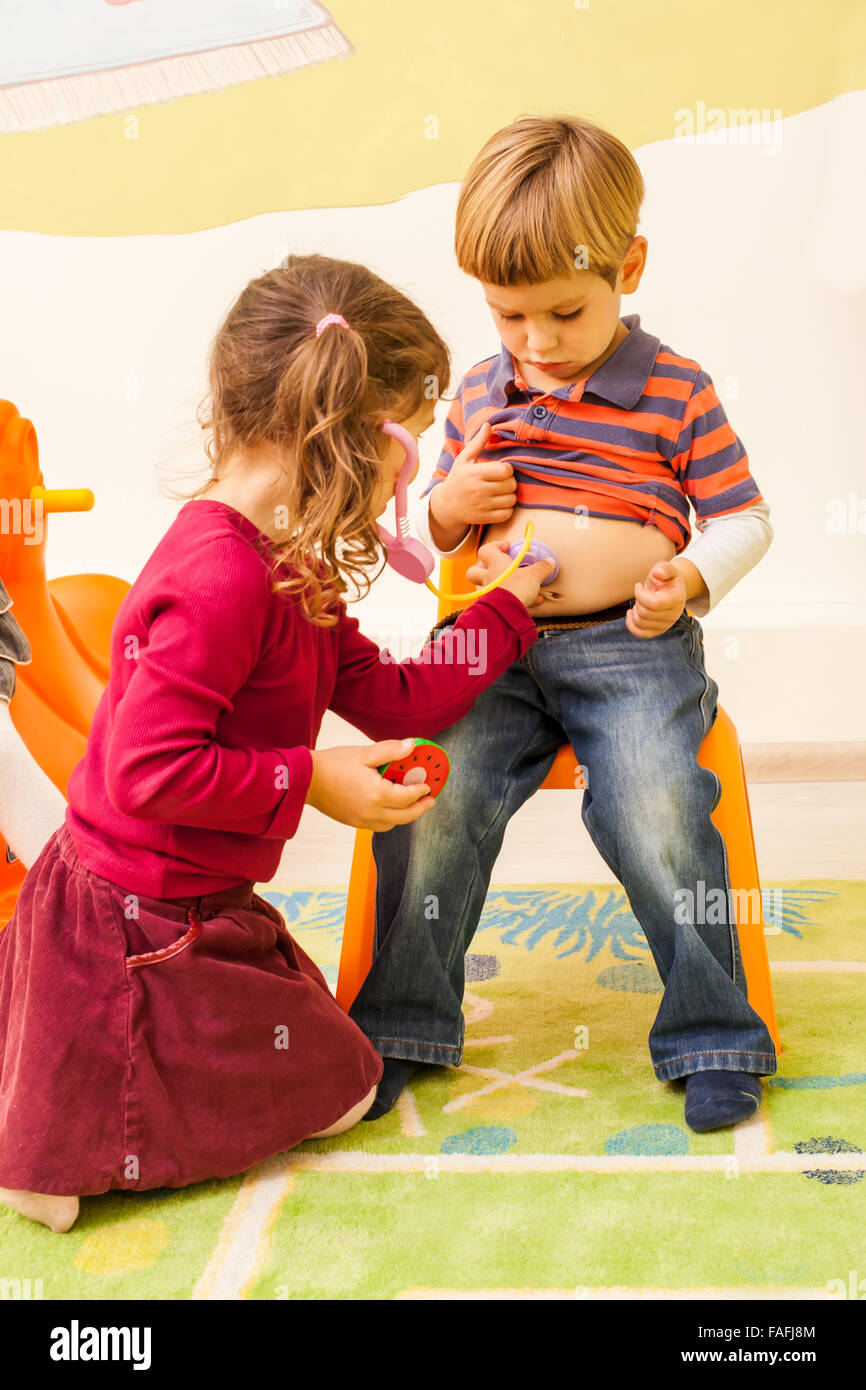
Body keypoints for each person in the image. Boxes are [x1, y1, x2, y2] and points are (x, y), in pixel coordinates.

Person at [0, 253, 555, 1232]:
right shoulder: (223, 580)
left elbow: (392, 695)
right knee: (90, 1162)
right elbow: (146, 769)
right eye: (412, 446)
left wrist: (502, 607)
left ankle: (87, 1067)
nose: (411, 474)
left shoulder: (289, 564)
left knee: (342, 1079)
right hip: (129, 919)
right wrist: (312, 783)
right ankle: (68, 1112)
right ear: (356, 440)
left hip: (200, 903)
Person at [349, 116, 779, 1130]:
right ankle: (397, 1025)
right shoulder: (476, 391)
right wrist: (451, 504)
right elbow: (437, 540)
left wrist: (684, 576)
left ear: (627, 266)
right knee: (429, 797)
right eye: (508, 317)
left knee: (657, 803)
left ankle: (712, 1031)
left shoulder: (672, 389)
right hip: (488, 641)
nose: (535, 342)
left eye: (563, 312)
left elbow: (743, 516)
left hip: (623, 648)